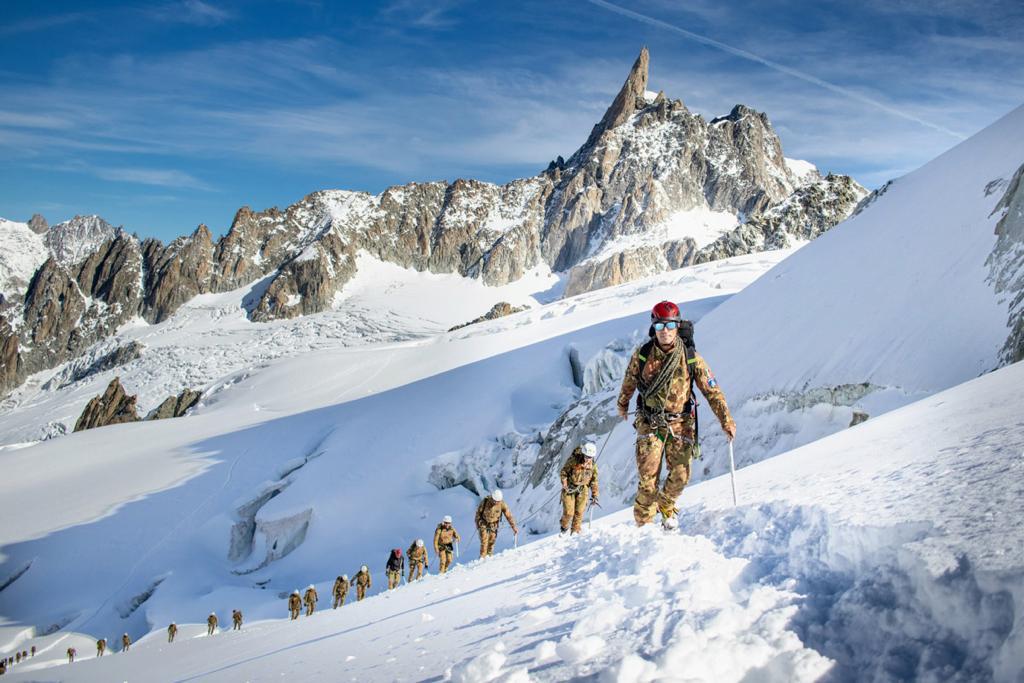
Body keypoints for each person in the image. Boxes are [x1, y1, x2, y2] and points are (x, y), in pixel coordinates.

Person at [617, 301, 736, 528]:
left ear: (677, 325)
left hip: (681, 422)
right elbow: (629, 381)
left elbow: (712, 390)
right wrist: (623, 404)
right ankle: (644, 528)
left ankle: (666, 503)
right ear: (654, 328)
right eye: (660, 326)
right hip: (650, 422)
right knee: (647, 479)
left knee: (681, 475)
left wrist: (726, 420)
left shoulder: (690, 357)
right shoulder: (642, 355)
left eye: (670, 325)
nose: (665, 332)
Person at [560, 442, 599, 534]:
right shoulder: (574, 461)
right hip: (570, 488)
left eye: (590, 457)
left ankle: (575, 532)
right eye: (586, 456)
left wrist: (595, 495)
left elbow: (594, 480)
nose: (587, 459)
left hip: (583, 489)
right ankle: (564, 526)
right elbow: (564, 472)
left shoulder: (593, 466)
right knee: (569, 512)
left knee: (579, 512)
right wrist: (564, 483)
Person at [475, 489, 518, 557]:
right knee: (484, 541)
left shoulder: (502, 504)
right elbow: (478, 513)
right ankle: (482, 558)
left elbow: (509, 516)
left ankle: (489, 556)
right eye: (495, 501)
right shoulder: (485, 501)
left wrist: (514, 527)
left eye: (498, 501)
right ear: (492, 498)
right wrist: (478, 524)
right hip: (483, 523)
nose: (496, 503)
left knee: (492, 541)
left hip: (493, 525)